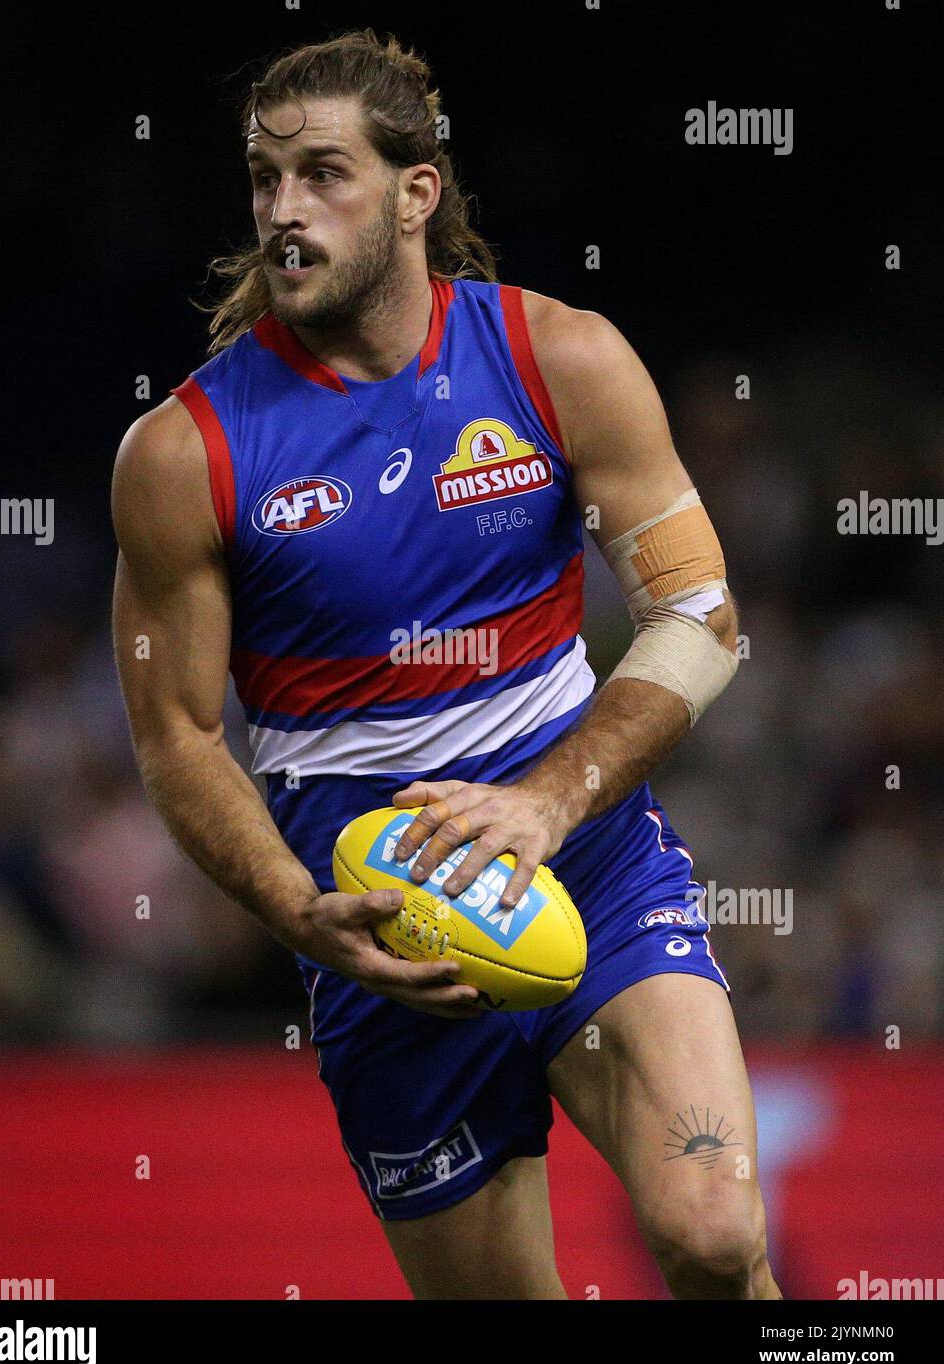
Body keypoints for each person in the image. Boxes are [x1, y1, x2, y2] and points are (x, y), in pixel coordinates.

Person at [111, 28, 780, 1300]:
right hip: (385, 930)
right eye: (264, 179)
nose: (283, 211)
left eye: (323, 175)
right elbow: (178, 738)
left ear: (417, 194)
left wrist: (549, 797)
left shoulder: (557, 358)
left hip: (585, 853)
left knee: (715, 1235)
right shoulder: (182, 452)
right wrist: (296, 910)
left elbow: (702, 614)